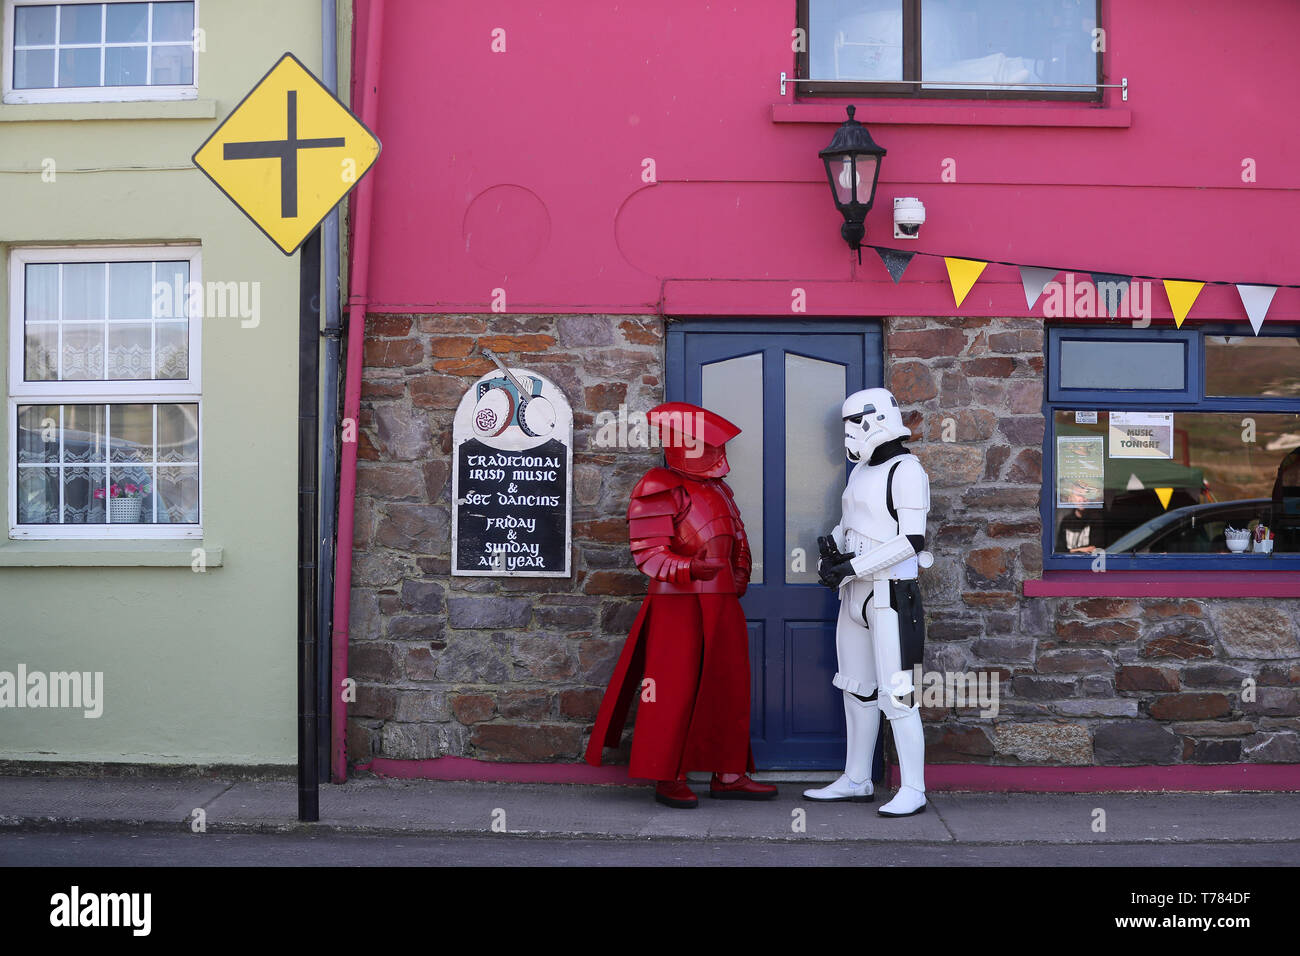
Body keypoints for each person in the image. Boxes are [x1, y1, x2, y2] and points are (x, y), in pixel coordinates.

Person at [585, 402, 777, 808]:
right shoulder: (658, 485)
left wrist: (740, 570)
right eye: (706, 444)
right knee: (669, 691)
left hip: (723, 601)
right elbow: (649, 556)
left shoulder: (719, 489)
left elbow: (736, 537)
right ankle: (667, 775)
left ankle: (728, 773)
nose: (716, 452)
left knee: (730, 687)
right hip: (677, 606)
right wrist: (692, 567)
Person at [804, 387, 931, 818]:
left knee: (898, 694)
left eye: (854, 423)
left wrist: (853, 566)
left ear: (875, 419)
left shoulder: (907, 470)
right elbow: (848, 522)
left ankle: (914, 787)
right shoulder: (860, 471)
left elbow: (912, 540)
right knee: (855, 689)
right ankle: (856, 777)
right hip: (854, 594)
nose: (849, 434)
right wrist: (831, 555)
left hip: (890, 595)